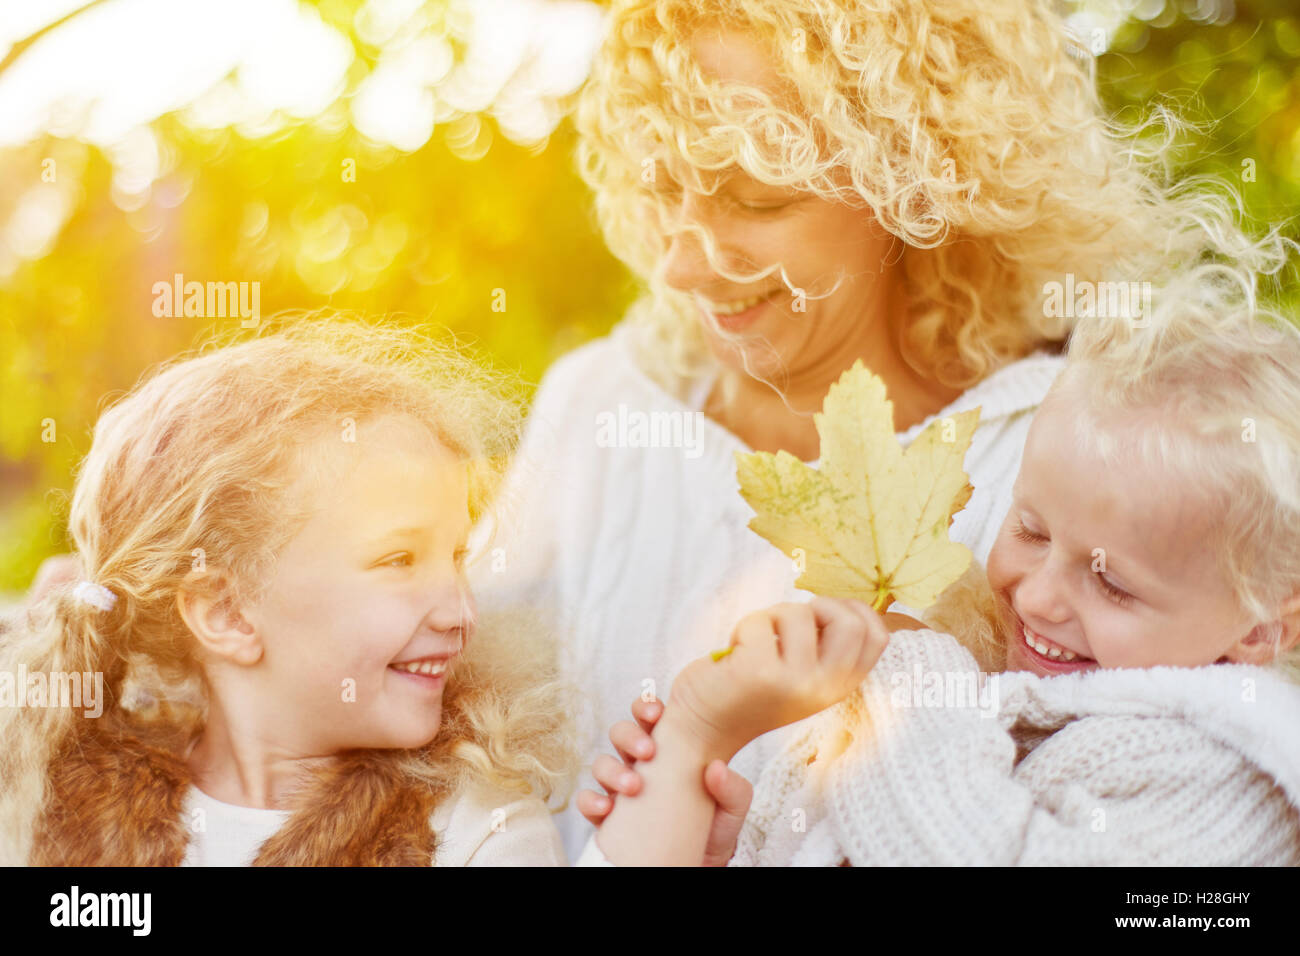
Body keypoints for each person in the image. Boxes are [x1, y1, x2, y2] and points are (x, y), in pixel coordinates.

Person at [469, 0, 1284, 859]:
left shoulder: (1066, 462)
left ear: (915, 176)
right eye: (666, 189)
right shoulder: (598, 403)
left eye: (756, 197)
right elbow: (453, 746)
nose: (679, 263)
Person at [578, 264, 1300, 865]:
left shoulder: (1231, 776)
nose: (1040, 596)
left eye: (1111, 582)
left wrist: (908, 668)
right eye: (1031, 530)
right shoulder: (1023, 689)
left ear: (1263, 629)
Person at [0, 319, 576, 866]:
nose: (462, 612)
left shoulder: (482, 830)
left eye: (456, 557)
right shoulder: (44, 816)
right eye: (398, 559)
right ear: (227, 613)